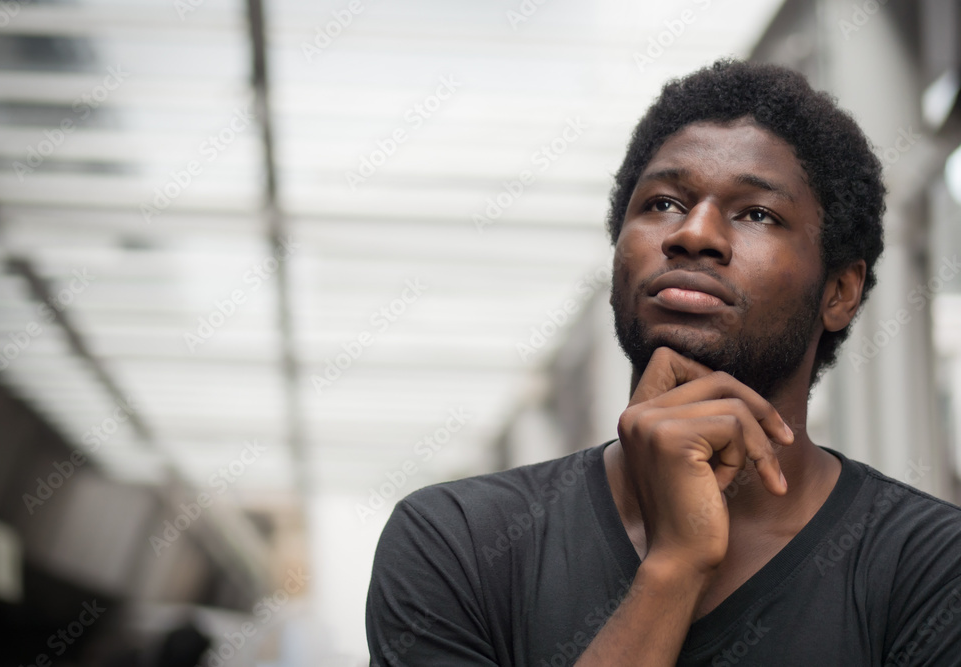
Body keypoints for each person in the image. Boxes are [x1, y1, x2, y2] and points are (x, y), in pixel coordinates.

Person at [364, 59, 961, 666]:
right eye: (664, 203)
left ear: (839, 291)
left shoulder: (932, 568)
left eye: (757, 213)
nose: (694, 233)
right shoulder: (458, 541)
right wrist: (675, 566)